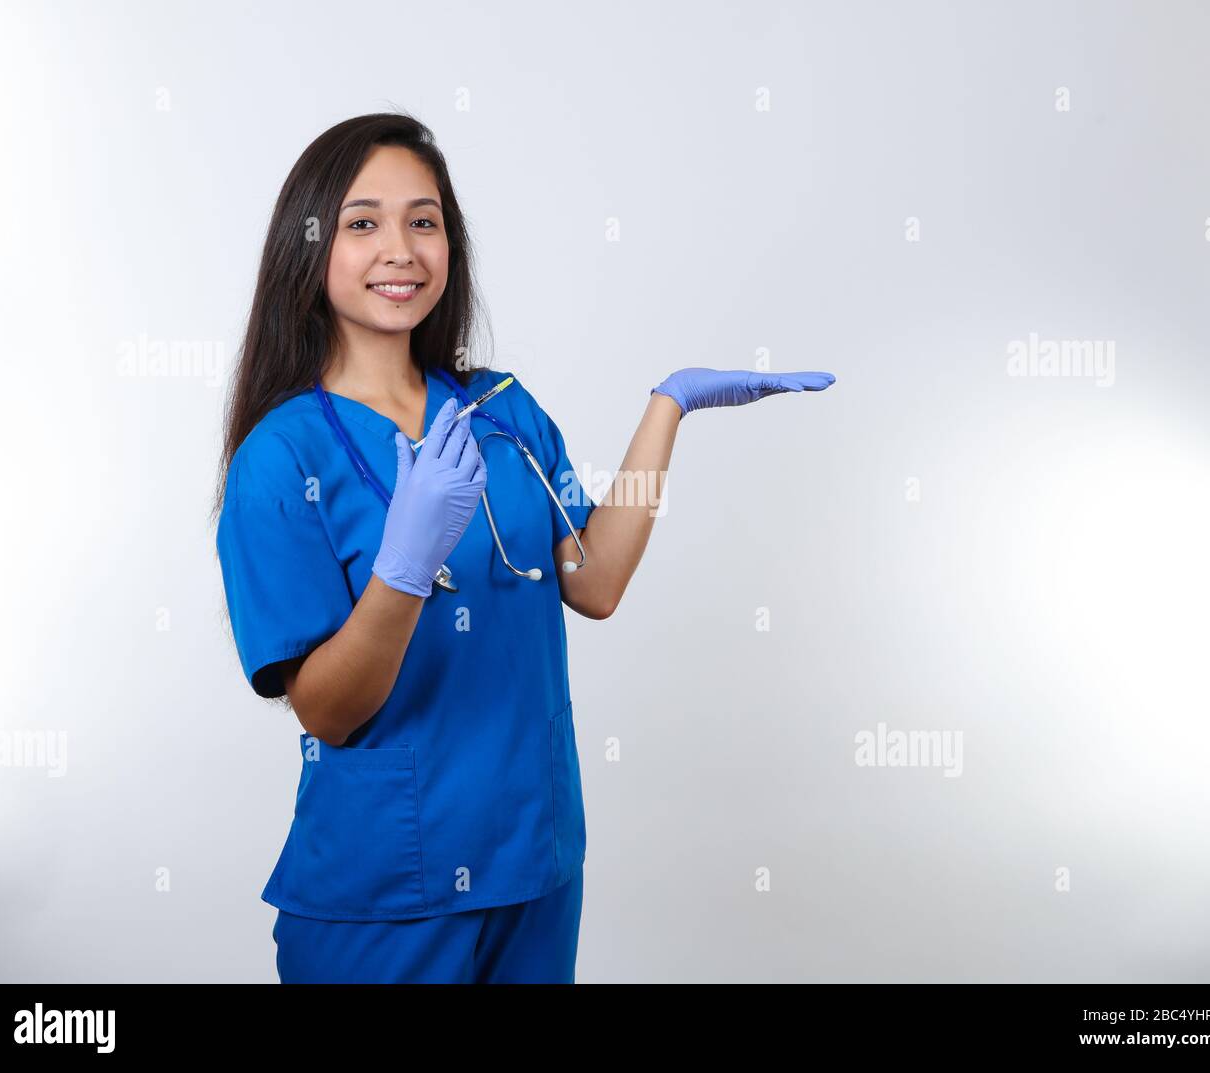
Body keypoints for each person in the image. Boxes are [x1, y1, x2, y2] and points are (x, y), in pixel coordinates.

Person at [211, 112, 835, 984]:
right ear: (307, 248)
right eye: (363, 223)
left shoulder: (503, 408)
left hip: (533, 863)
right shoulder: (280, 457)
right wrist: (403, 568)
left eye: (423, 221)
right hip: (383, 892)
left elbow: (597, 578)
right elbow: (327, 709)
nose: (400, 248)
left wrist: (668, 408)